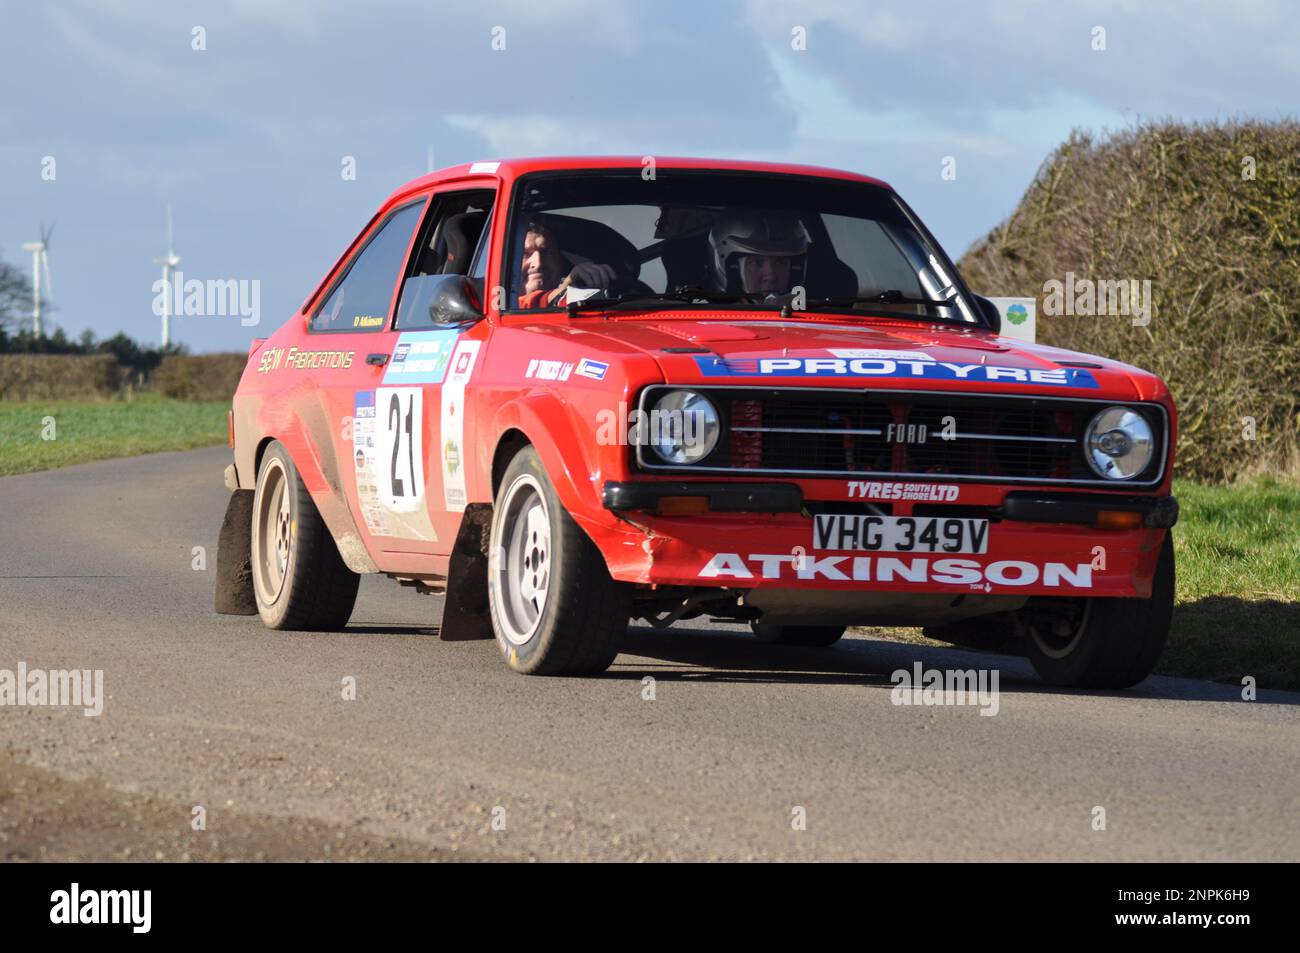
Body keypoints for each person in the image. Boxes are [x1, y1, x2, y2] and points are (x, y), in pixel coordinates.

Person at [706, 209, 810, 298]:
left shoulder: (813, 313)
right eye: (758, 262)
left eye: (781, 263)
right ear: (731, 268)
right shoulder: (701, 315)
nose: (771, 277)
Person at [516, 220, 618, 308]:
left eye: (548, 252)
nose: (538, 263)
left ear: (560, 261)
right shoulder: (503, 304)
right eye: (524, 254)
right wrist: (563, 293)